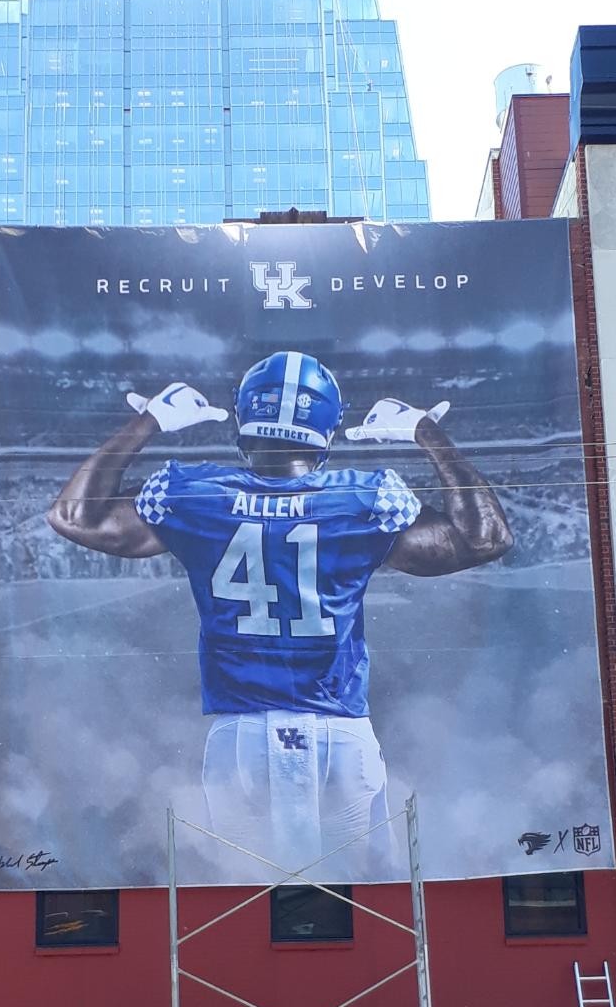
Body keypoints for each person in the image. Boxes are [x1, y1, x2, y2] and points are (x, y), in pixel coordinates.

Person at [47, 354, 512, 877]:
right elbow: (486, 538)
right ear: (325, 428)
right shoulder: (364, 497)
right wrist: (425, 432)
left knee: (246, 905)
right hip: (339, 733)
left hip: (239, 740)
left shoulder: (195, 493)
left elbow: (72, 515)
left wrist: (149, 421)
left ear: (246, 421)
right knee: (365, 904)